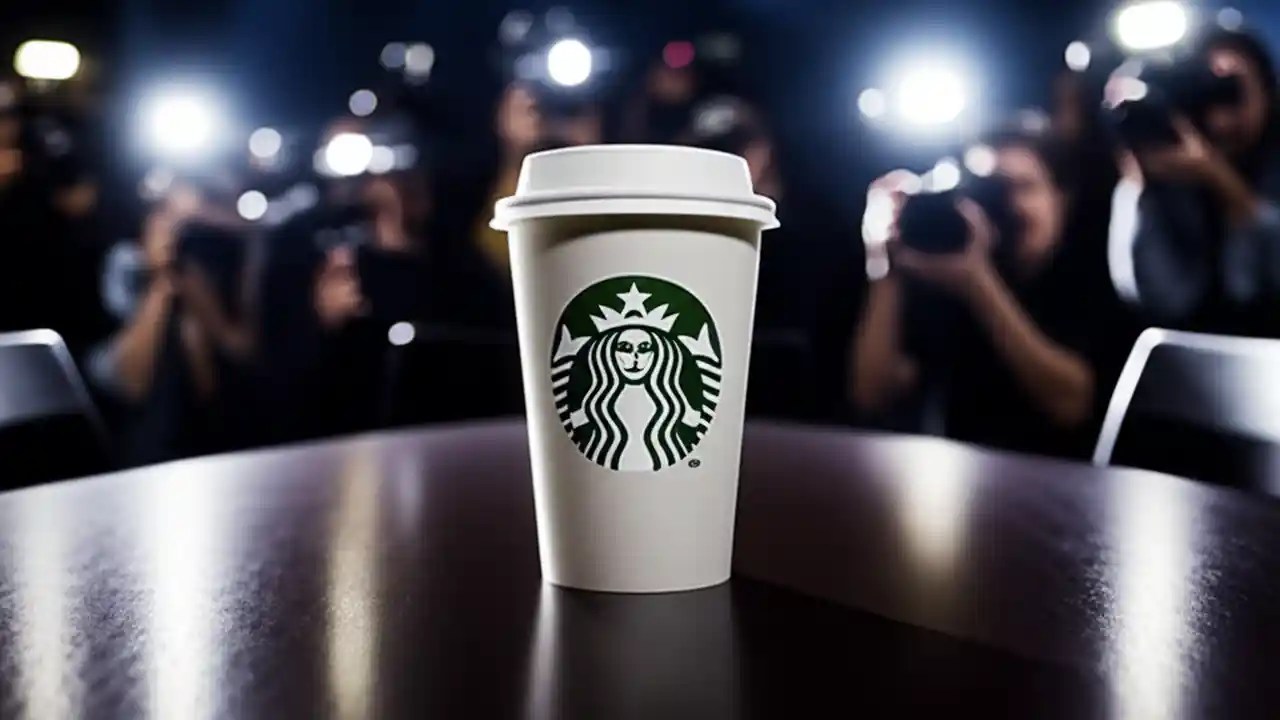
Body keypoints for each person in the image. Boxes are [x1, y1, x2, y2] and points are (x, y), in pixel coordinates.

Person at [849, 128, 1098, 458]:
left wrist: (979, 284)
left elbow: (1071, 405)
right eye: (989, 190)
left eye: (1023, 187)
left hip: (1056, 481)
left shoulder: (1085, 279)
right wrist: (885, 265)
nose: (1006, 205)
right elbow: (871, 395)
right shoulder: (944, 274)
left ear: (1061, 198)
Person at [1109, 28, 1280, 335]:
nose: (1221, 120)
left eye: (1231, 91)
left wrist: (1223, 184)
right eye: (1207, 93)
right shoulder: (1176, 177)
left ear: (1267, 90)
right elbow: (1159, 299)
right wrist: (1139, 184)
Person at [88, 181, 256, 464]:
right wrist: (161, 280)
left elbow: (228, 360)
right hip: (134, 454)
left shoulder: (195, 276)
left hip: (198, 452)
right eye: (166, 218)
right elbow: (130, 383)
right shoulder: (124, 265)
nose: (176, 235)